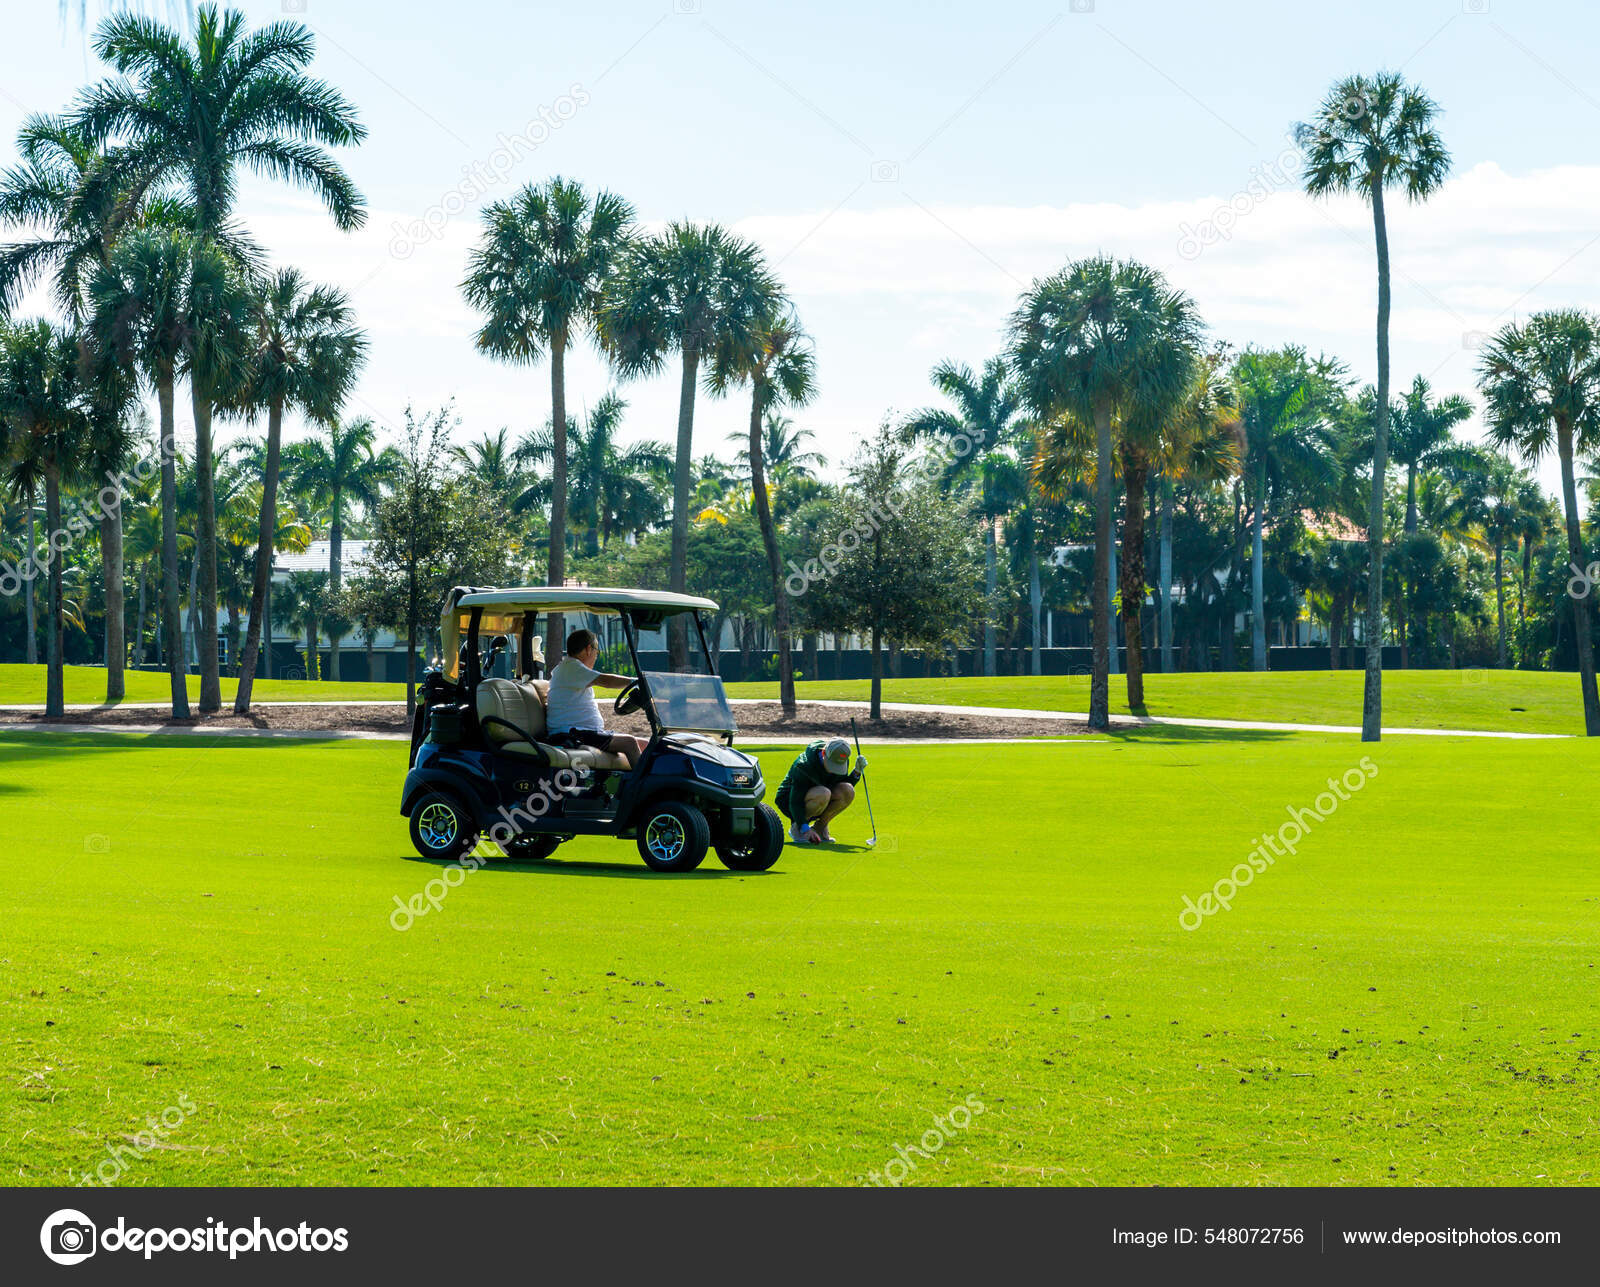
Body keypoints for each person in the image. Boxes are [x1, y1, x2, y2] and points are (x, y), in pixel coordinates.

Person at [544, 629, 649, 769]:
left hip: (582, 732)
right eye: (596, 652)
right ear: (589, 649)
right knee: (629, 743)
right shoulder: (571, 667)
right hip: (572, 734)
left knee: (645, 744)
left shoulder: (570, 669)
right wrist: (636, 681)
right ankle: (643, 783)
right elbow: (605, 681)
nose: (596, 656)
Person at [775, 737, 867, 844]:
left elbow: (841, 787)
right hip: (789, 801)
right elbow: (795, 801)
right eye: (831, 763)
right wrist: (805, 827)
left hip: (820, 798)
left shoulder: (840, 759)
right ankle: (797, 828)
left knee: (848, 790)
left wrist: (856, 772)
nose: (833, 770)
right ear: (823, 753)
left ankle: (820, 827)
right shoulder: (804, 765)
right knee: (824, 793)